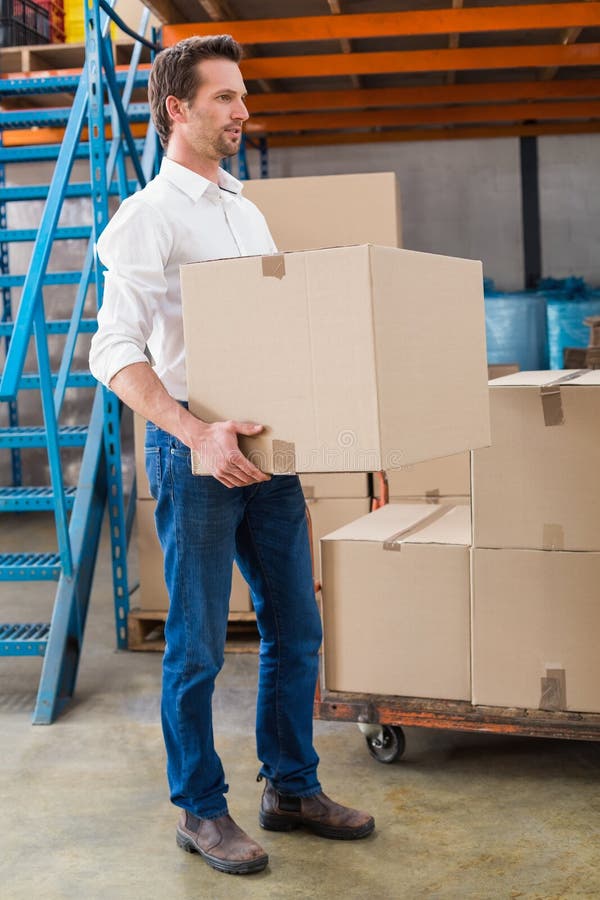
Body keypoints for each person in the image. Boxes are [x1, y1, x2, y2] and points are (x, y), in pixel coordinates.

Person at [89, 34, 374, 876]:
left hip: (268, 457)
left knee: (297, 628)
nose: (243, 111)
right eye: (224, 98)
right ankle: (201, 811)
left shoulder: (244, 210)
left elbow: (271, 334)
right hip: (197, 457)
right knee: (199, 643)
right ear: (178, 108)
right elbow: (113, 350)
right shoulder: (147, 219)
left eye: (243, 96)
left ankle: (290, 786)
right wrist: (195, 434)